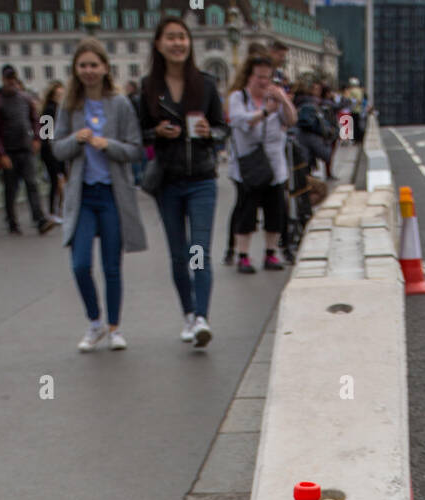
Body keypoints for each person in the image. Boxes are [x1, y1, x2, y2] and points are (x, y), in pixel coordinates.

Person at [139, 13, 226, 347]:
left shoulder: (205, 84)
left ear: (190, 43)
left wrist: (210, 131)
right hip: (168, 180)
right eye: (171, 37)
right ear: (159, 45)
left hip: (202, 177)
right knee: (178, 254)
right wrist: (155, 132)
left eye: (182, 37)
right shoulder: (149, 88)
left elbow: (223, 127)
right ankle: (188, 315)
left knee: (198, 250)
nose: (178, 43)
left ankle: (202, 317)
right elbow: (138, 133)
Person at [53, 37, 145, 351]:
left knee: (111, 266)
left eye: (94, 65)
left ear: (105, 68)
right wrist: (77, 140)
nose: (89, 71)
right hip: (82, 195)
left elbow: (135, 149)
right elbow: (56, 148)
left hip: (112, 195)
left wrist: (108, 145)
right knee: (79, 264)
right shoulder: (68, 105)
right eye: (83, 66)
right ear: (76, 69)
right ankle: (94, 322)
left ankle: (115, 327)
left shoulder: (120, 104)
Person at [227, 54, 295, 274]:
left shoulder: (275, 99)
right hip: (248, 167)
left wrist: (283, 100)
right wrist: (266, 112)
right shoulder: (238, 98)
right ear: (249, 76)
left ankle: (270, 253)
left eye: (267, 77)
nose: (264, 82)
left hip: (274, 166)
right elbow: (241, 121)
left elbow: (291, 120)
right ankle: (243, 256)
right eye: (259, 77)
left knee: (275, 212)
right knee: (246, 212)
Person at [0, 64, 53, 235]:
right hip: (9, 151)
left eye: (13, 79)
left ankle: (39, 219)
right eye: (8, 79)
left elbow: (35, 120)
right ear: (3, 80)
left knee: (32, 184)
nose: (11, 82)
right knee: (11, 189)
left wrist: (37, 138)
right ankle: (12, 221)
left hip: (25, 149)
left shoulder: (24, 99)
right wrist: (1, 153)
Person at [39, 79, 66, 223]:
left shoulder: (56, 108)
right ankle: (53, 211)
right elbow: (46, 134)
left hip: (55, 149)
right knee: (56, 181)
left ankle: (58, 210)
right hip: (51, 150)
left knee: (59, 181)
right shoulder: (50, 109)